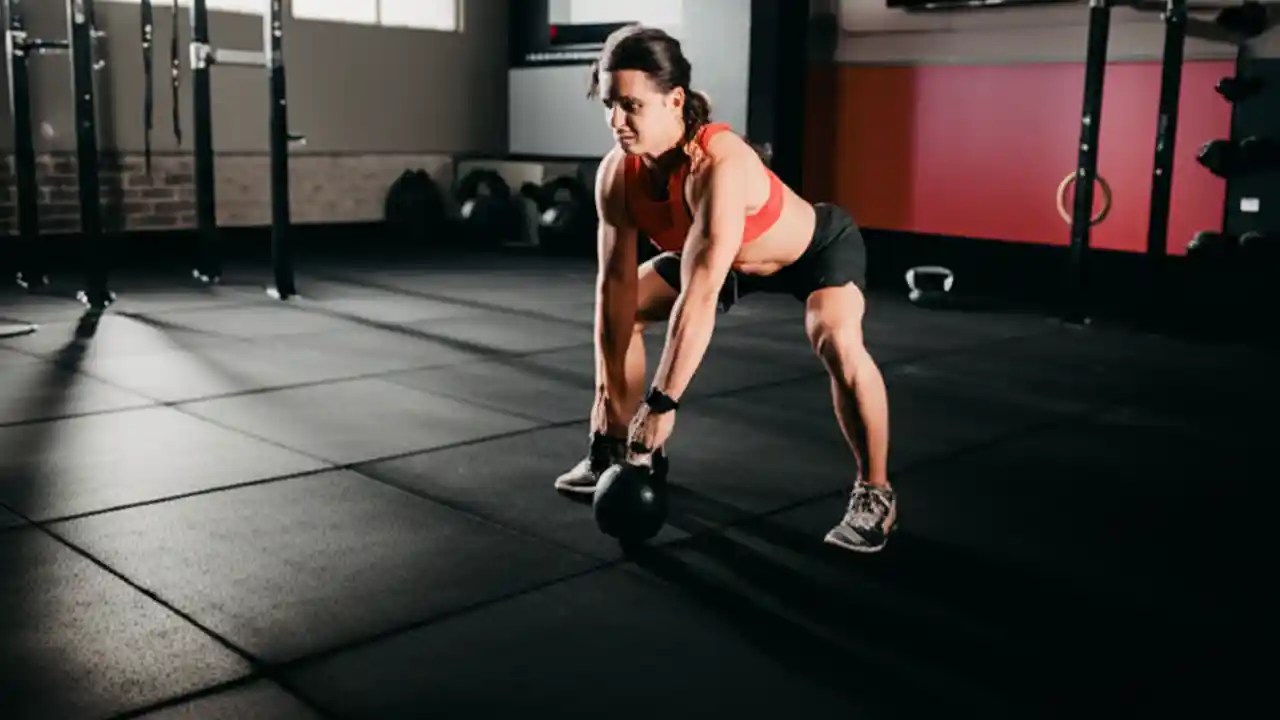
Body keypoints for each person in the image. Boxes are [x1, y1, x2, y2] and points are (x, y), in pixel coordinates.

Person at [554, 25, 896, 553]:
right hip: (726, 258)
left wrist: (661, 405)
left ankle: (876, 491)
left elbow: (700, 295)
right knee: (635, 308)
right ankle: (623, 452)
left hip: (811, 250)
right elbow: (614, 291)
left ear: (674, 101)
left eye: (630, 105)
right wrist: (608, 404)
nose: (616, 122)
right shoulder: (616, 175)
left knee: (836, 339)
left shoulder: (719, 166)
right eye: (608, 105)